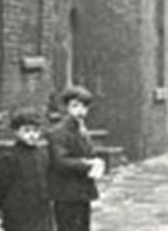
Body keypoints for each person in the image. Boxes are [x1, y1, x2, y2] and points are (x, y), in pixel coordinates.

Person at [45, 85, 104, 231]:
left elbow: (88, 153)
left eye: (84, 107)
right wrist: (87, 164)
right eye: (75, 106)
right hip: (66, 193)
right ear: (66, 108)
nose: (80, 111)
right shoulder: (58, 132)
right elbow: (61, 161)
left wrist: (96, 162)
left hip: (82, 192)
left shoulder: (82, 130)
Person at [0, 108, 52, 231]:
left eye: (35, 130)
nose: (32, 135)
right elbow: (1, 187)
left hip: (40, 210)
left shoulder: (43, 155)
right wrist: (7, 207)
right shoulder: (10, 158)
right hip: (18, 212)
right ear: (16, 132)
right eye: (26, 131)